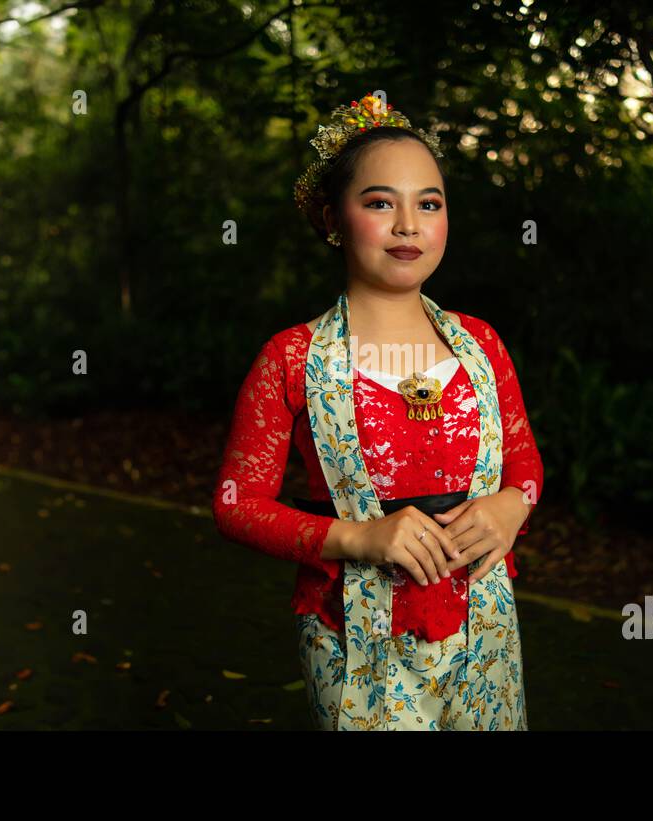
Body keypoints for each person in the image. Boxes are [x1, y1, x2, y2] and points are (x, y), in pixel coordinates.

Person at [212, 93, 543, 730]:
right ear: (333, 218)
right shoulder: (292, 358)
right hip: (353, 637)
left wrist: (512, 505)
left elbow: (524, 464)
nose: (408, 226)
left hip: (488, 626)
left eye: (429, 203)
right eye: (379, 203)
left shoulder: (482, 344)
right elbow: (235, 502)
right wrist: (359, 537)